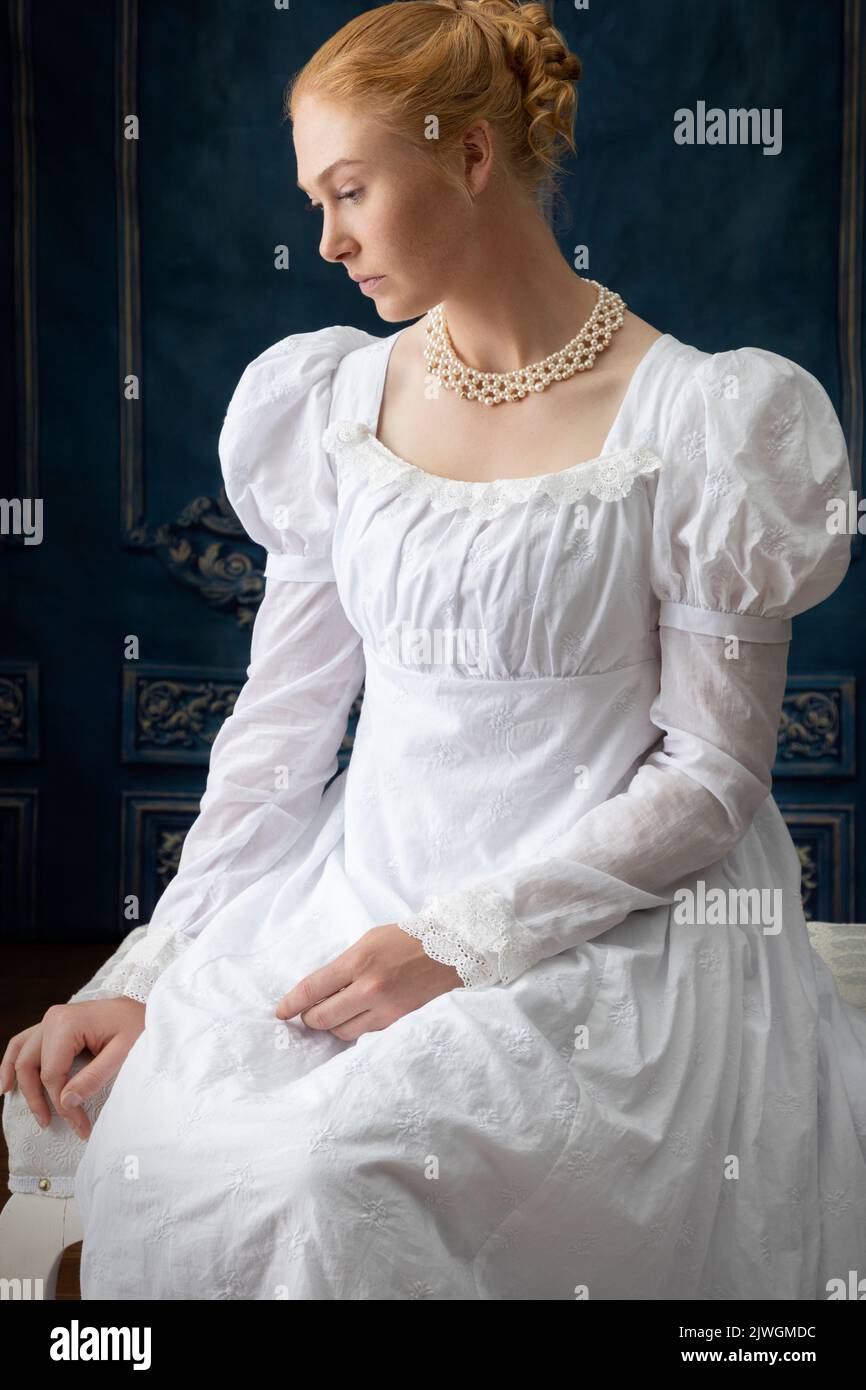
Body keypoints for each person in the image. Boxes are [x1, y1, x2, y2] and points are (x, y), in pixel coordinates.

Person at [3, 0, 866, 1300]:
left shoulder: (704, 420)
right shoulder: (336, 401)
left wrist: (461, 941)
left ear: (469, 156)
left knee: (333, 1175)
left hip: (604, 916)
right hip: (356, 886)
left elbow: (707, 778)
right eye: (314, 199)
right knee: (184, 1135)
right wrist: (149, 969)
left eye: (350, 190)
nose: (328, 240)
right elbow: (278, 738)